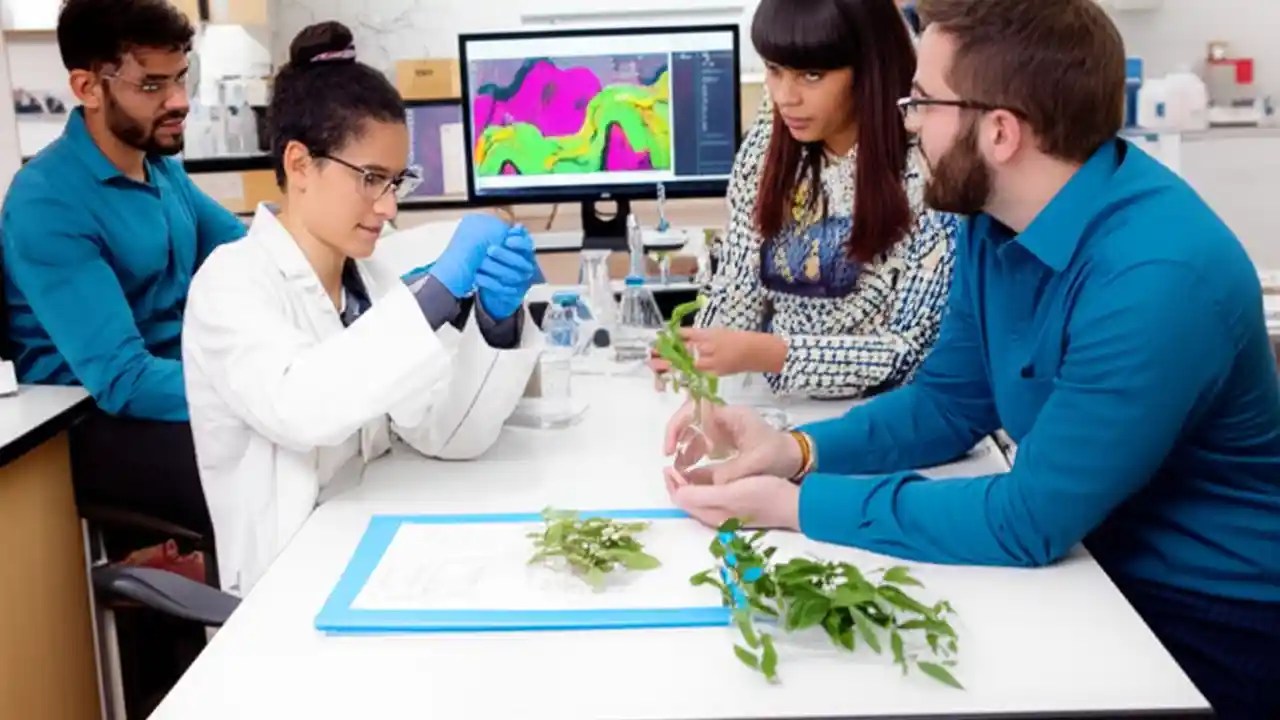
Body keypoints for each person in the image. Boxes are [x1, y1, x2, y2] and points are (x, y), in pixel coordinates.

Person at [661, 0, 1280, 716]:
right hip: (1088, 570)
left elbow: (1026, 522)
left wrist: (795, 507)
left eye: (922, 102)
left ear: (1001, 131)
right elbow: (949, 403)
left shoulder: (1156, 278)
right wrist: (793, 450)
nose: (906, 121)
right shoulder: (993, 216)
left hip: (1205, 622)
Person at [181, 22, 544, 596]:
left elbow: (445, 436)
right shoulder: (231, 285)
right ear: (299, 164)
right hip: (289, 587)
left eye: (397, 180)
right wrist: (434, 299)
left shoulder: (369, 280)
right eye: (371, 179)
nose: (389, 205)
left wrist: (494, 323)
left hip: (379, 547)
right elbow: (302, 407)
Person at [1, 0, 245, 553]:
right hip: (96, 425)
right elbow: (122, 379)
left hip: (176, 392)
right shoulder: (47, 201)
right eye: (153, 85)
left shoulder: (159, 168)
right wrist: (254, 387)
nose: (179, 101)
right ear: (88, 87)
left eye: (182, 78)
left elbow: (248, 258)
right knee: (275, 469)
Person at [651, 0, 959, 400]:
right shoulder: (764, 153)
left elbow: (909, 351)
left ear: (870, 70)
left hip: (893, 418)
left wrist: (771, 353)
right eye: (774, 70)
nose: (785, 96)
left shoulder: (930, 168)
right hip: (781, 408)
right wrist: (697, 349)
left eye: (811, 75)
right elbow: (737, 293)